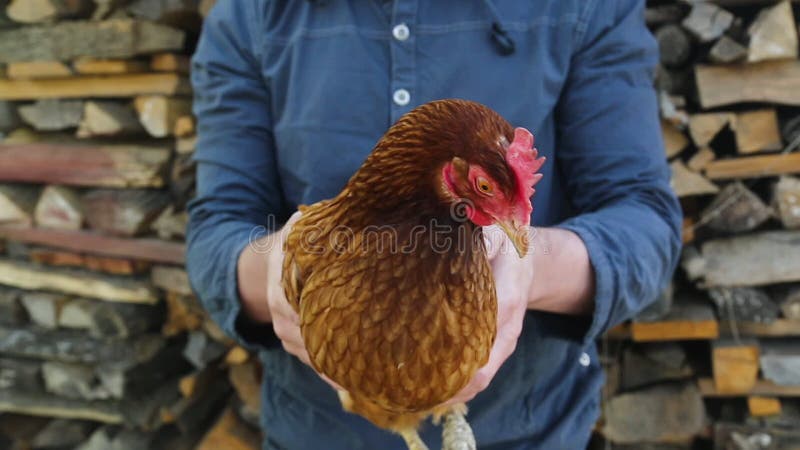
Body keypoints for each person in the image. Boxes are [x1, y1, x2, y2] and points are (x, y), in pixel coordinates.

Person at [187, 1, 682, 449]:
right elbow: (216, 231)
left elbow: (646, 221)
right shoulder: (251, 14)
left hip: (525, 432)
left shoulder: (585, 7)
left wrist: (532, 267)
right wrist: (280, 266)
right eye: (489, 191)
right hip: (320, 432)